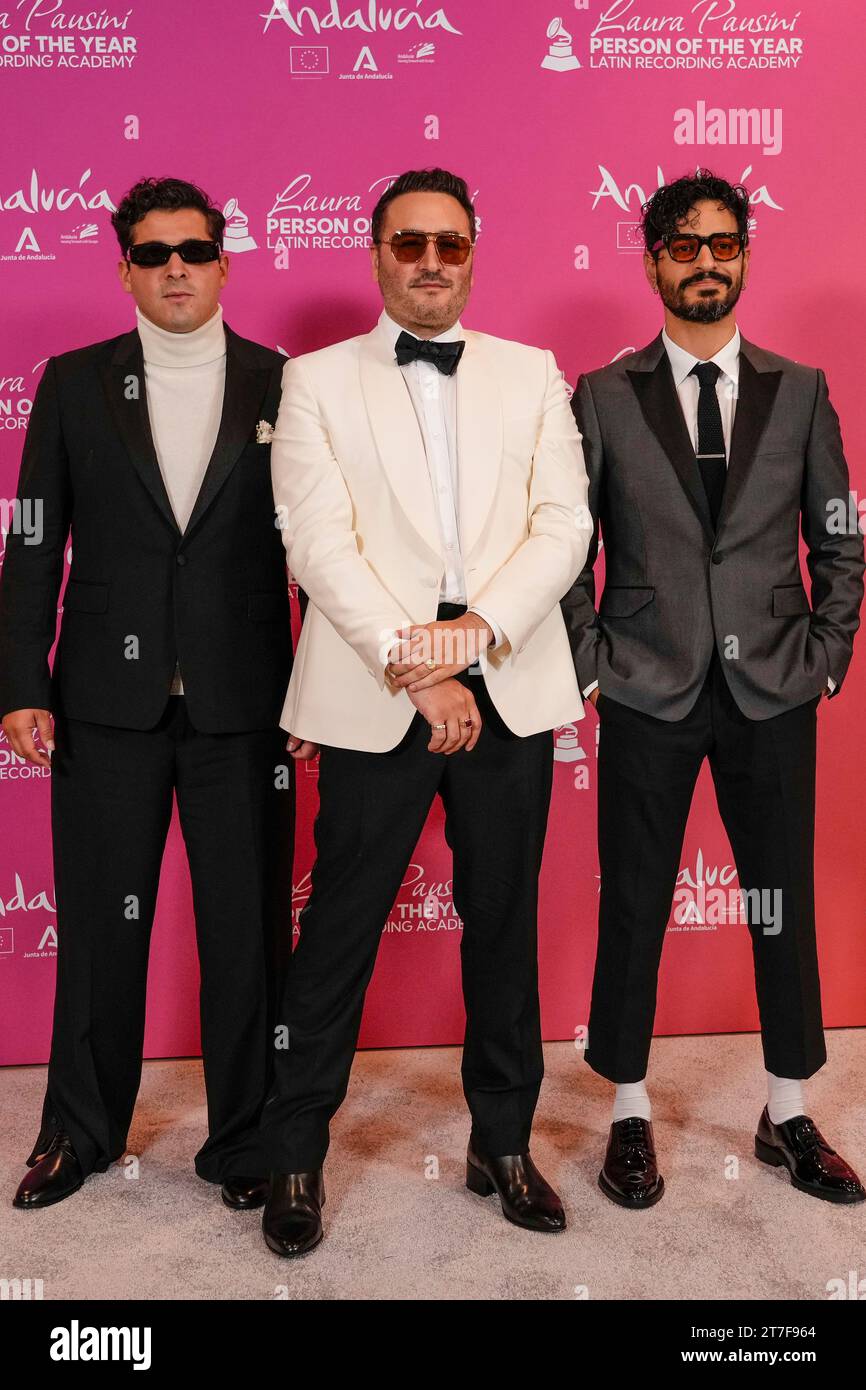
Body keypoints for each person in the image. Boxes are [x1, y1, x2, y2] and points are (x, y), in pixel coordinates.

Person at [259, 167, 592, 1256]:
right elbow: (318, 544)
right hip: (375, 685)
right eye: (409, 244)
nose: (430, 263)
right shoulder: (312, 380)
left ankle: (502, 1142)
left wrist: (474, 635)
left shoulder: (533, 372)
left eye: (449, 244)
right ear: (376, 254)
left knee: (501, 923)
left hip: (503, 670)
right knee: (338, 931)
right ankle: (294, 1150)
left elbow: (562, 527)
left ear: (472, 252)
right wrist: (420, 664)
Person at [562, 171, 865, 1208]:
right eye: (683, 246)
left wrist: (823, 654)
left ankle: (786, 1110)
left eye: (722, 244)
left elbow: (836, 536)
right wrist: (591, 668)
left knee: (779, 903)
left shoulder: (800, 388)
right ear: (652, 261)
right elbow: (570, 550)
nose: (705, 262)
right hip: (646, 686)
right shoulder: (601, 394)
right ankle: (630, 1110)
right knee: (634, 902)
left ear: (742, 256)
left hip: (773, 690)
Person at [0, 177, 295, 1212]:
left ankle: (249, 1139)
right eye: (155, 251)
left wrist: (319, 695)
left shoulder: (280, 380)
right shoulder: (75, 383)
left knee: (248, 933)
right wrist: (18, 682)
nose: (177, 267)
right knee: (98, 929)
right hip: (101, 707)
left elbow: (317, 550)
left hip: (246, 705)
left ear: (224, 262)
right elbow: (34, 540)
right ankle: (77, 1131)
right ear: (124, 266)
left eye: (196, 249)